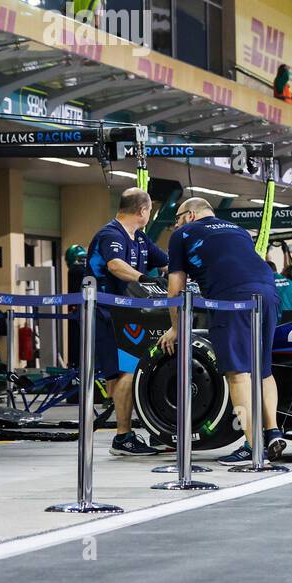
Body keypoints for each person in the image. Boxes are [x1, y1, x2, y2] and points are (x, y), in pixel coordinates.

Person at [161, 198, 286, 465]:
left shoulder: (182, 233)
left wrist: (176, 328)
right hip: (268, 292)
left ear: (190, 215)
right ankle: (273, 430)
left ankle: (253, 446)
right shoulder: (238, 229)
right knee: (263, 370)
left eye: (178, 217)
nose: (177, 223)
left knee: (238, 373)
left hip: (232, 299)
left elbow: (175, 289)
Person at [87, 188, 168, 457]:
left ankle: (155, 429)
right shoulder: (111, 234)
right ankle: (122, 437)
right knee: (124, 373)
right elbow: (115, 265)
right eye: (150, 211)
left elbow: (167, 262)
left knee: (139, 370)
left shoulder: (140, 238)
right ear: (143, 210)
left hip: (131, 315)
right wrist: (145, 279)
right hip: (106, 314)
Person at [64, 244, 87, 372]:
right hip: (91, 311)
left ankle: (76, 368)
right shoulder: (89, 269)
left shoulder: (74, 271)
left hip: (78, 313)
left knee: (77, 342)